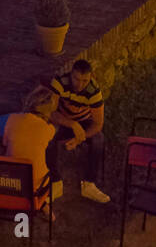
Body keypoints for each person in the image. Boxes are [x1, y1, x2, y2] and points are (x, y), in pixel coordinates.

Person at [47, 60, 110, 202]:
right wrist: (72, 124)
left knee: (98, 139)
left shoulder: (94, 92)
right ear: (71, 74)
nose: (80, 84)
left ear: (91, 77)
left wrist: (79, 138)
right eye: (76, 79)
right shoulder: (59, 83)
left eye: (85, 80)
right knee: (48, 136)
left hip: (84, 122)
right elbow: (50, 113)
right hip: (63, 120)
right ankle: (55, 180)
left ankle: (89, 184)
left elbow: (98, 123)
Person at [2, 86, 58, 219]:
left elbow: (4, 143)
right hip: (34, 187)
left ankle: (42, 203)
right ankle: (43, 202)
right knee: (48, 154)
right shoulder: (48, 129)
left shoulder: (11, 119)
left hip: (10, 179)